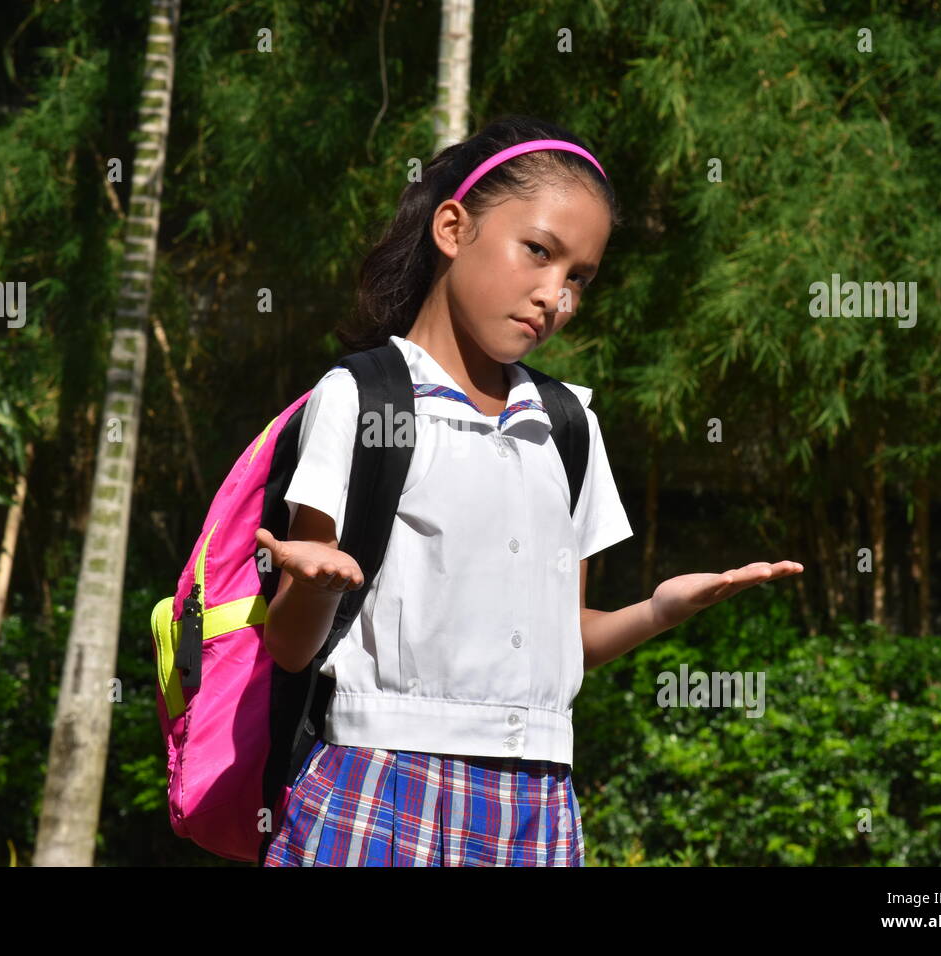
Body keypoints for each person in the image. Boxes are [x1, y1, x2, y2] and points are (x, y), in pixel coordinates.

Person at [254, 114, 802, 866]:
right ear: (453, 227)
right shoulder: (364, 398)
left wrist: (661, 610)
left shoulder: (568, 425)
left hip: (538, 805)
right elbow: (287, 645)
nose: (557, 296)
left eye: (578, 277)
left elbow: (567, 639)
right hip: (380, 786)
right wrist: (318, 584)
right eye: (538, 252)